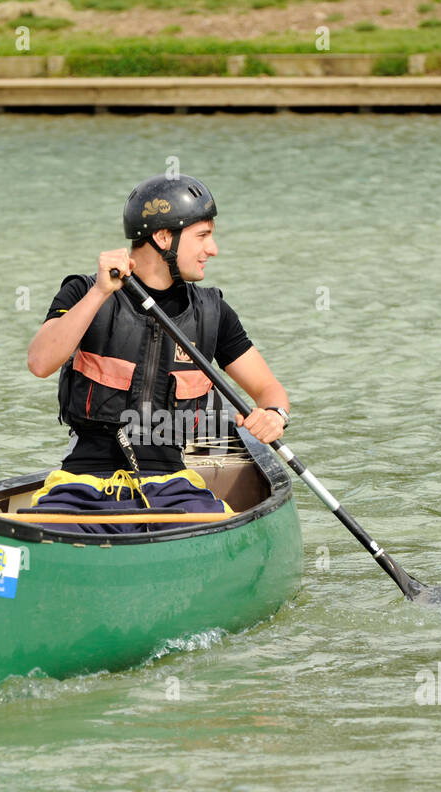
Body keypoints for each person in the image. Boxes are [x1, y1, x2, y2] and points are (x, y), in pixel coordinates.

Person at [25, 174, 290, 533]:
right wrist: (101, 293)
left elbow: (269, 390)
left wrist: (274, 415)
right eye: (203, 235)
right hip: (82, 479)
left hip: (173, 486)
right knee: (42, 530)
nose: (213, 249)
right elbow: (40, 362)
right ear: (164, 237)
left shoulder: (213, 314)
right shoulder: (84, 292)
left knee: (214, 526)